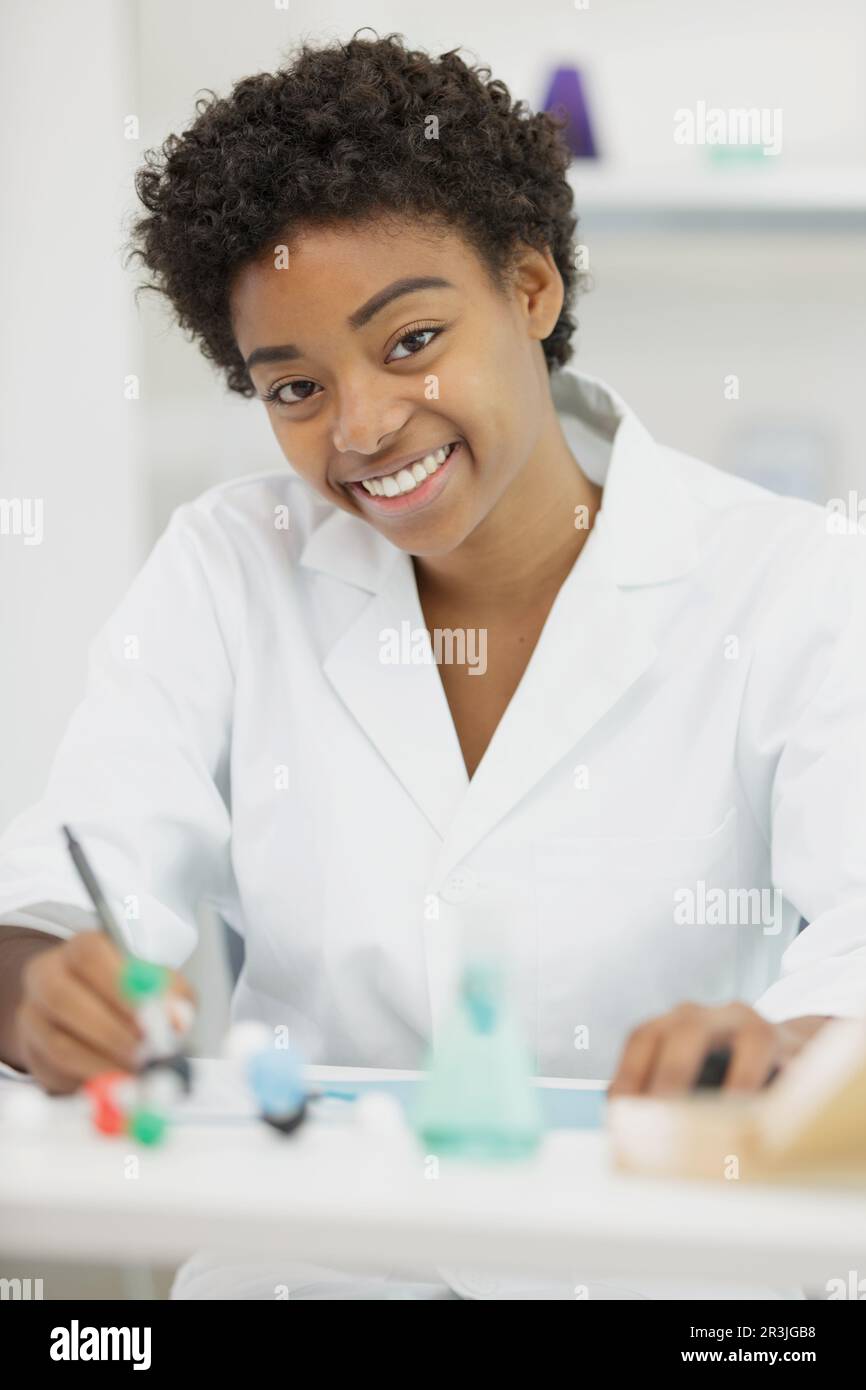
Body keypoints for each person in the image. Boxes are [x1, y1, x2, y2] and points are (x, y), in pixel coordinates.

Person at [0, 31, 863, 1299]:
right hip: (307, 1271)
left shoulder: (794, 582)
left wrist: (774, 1050)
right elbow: (55, 897)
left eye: (407, 341)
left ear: (528, 288)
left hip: (667, 1277)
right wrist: (44, 994)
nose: (359, 427)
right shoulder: (230, 567)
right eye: (291, 385)